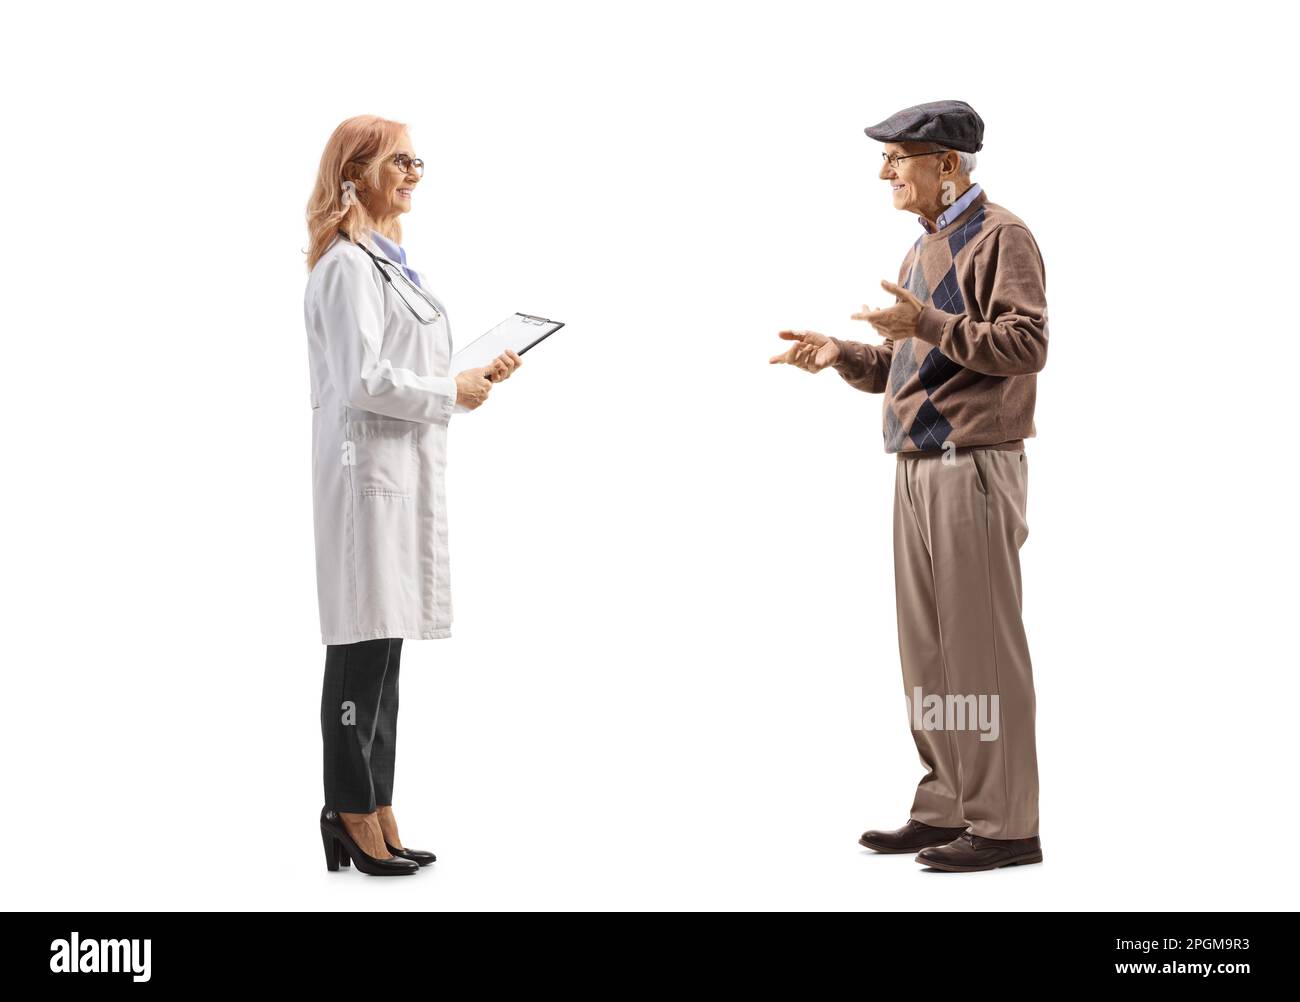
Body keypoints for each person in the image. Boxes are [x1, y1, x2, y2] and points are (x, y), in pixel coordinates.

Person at [770, 100, 1049, 872]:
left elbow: (1026, 343)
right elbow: (917, 363)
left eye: (898, 158)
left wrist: (922, 325)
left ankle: (1005, 824)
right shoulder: (922, 250)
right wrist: (845, 355)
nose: (884, 172)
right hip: (917, 467)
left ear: (948, 165)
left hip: (974, 467)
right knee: (929, 651)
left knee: (982, 650)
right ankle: (949, 804)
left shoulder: (1004, 237)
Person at [304, 115, 522, 876]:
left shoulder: (389, 264)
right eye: (400, 160)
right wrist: (447, 388)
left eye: (417, 159)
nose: (415, 172)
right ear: (354, 171)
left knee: (386, 648)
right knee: (361, 645)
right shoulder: (344, 269)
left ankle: (378, 801)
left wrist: (466, 382)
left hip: (394, 472)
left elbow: (404, 371)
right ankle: (347, 807)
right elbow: (364, 380)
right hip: (366, 482)